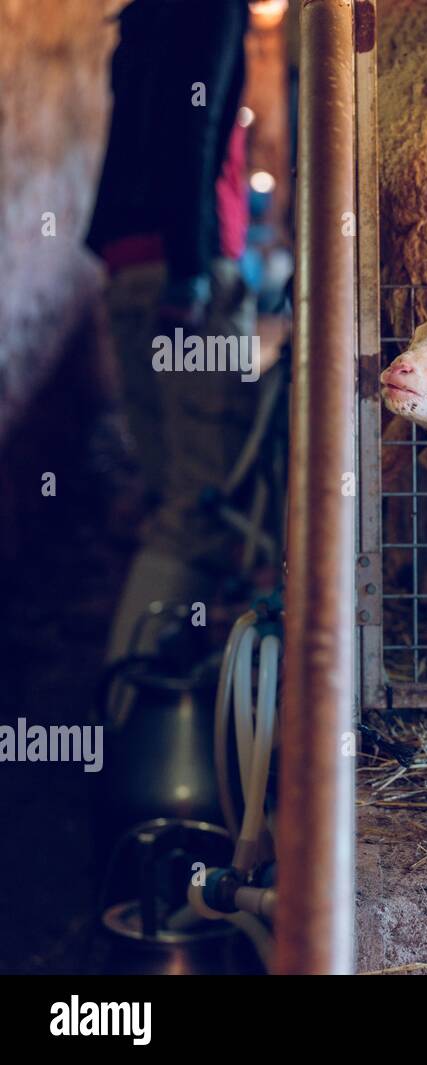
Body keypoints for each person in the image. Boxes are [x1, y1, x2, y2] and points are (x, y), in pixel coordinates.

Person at [86, 0, 259, 663]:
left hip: (132, 266)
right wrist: (189, 274)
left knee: (174, 497)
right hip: (183, 271)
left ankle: (149, 711)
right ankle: (139, 723)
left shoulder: (141, 16)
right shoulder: (210, 7)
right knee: (202, 508)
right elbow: (195, 121)